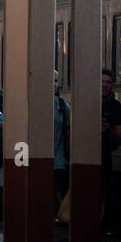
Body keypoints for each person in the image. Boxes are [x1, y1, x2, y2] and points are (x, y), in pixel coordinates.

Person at [100, 69, 121, 236]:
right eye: (102, 81)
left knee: (107, 191)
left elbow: (120, 136)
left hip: (107, 156)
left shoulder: (116, 108)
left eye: (108, 82)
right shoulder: (87, 103)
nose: (105, 85)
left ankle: (106, 222)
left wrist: (107, 130)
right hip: (87, 154)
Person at [54, 71, 71, 214]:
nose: (53, 84)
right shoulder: (29, 102)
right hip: (31, 160)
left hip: (58, 160)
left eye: (55, 80)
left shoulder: (63, 106)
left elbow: (68, 132)